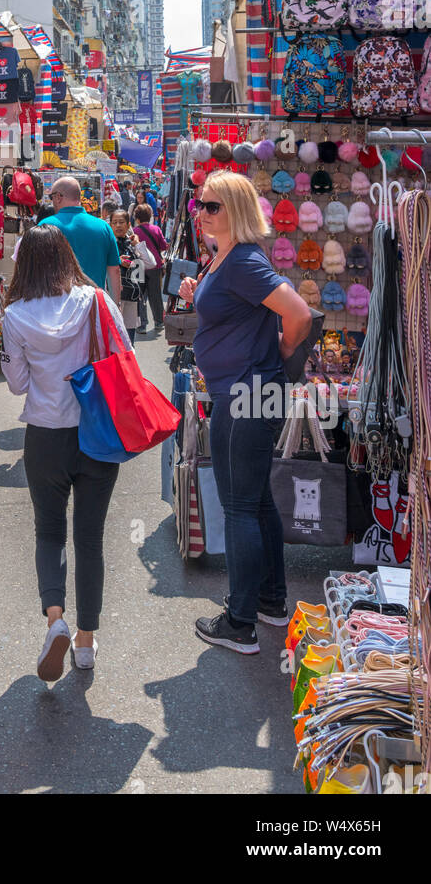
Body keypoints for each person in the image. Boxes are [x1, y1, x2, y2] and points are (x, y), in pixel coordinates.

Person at [178, 171, 312, 655]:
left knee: (238, 506)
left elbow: (297, 313)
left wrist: (278, 348)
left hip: (247, 393)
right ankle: (271, 603)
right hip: (248, 390)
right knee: (255, 502)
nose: (201, 212)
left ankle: (239, 621)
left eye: (211, 206)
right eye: (200, 204)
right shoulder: (226, 259)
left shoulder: (242, 262)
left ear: (234, 209)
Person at [1, 225, 131, 680]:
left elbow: (16, 384)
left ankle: (55, 619)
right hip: (97, 433)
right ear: (66, 256)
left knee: (49, 532)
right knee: (90, 539)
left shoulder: (15, 315)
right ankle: (86, 641)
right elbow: (125, 354)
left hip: (45, 435)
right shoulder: (95, 301)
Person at [44, 176, 121, 303]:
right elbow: (114, 271)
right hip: (93, 306)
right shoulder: (103, 227)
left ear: (58, 197)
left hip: (56, 308)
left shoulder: (45, 226)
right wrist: (115, 305)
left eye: (51, 197)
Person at [109, 208, 142, 341]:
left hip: (132, 296)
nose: (118, 225)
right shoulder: (108, 244)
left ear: (128, 225)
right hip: (113, 297)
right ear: (110, 225)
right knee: (114, 342)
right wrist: (118, 260)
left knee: (129, 342)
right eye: (115, 222)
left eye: (121, 222)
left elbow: (149, 263)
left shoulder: (132, 244)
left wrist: (138, 245)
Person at [132, 203, 166, 333]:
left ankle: (141, 325)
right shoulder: (156, 229)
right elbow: (163, 246)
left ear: (136, 218)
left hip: (138, 266)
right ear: (150, 216)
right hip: (155, 265)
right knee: (156, 295)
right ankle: (158, 322)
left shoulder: (134, 232)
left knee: (139, 296)